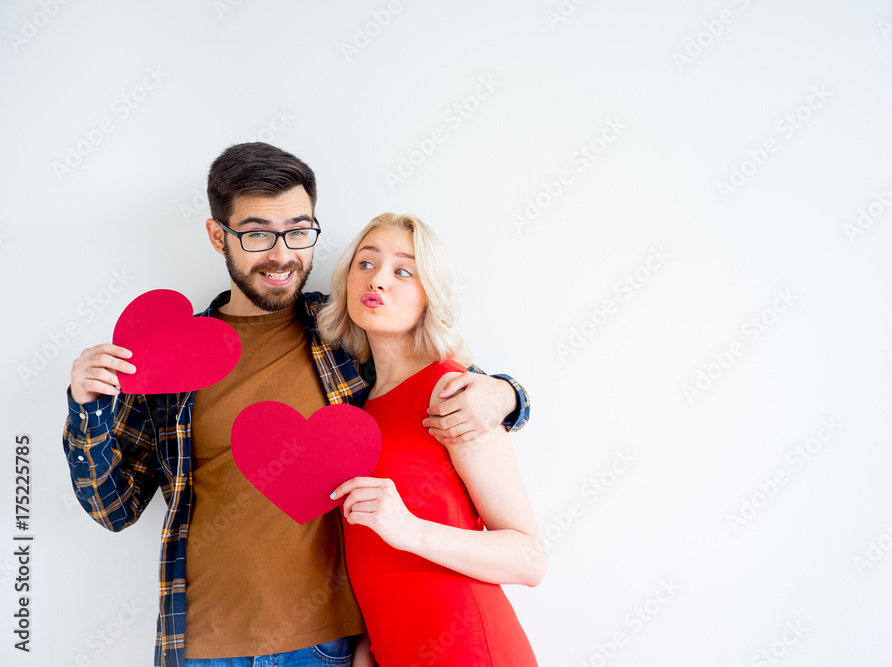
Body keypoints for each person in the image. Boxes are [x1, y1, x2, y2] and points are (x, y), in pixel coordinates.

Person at [61, 143, 531, 667]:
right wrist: (87, 408)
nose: (282, 254)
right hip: (201, 646)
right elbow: (114, 509)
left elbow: (444, 386)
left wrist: (507, 394)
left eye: (298, 231)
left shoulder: (345, 332)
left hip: (327, 645)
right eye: (258, 234)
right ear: (218, 236)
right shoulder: (172, 357)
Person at [319, 213, 546, 666]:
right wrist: (370, 647)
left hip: (468, 650)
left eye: (403, 271)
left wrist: (410, 529)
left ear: (430, 296)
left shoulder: (454, 394)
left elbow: (530, 558)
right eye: (366, 264)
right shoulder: (359, 406)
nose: (377, 279)